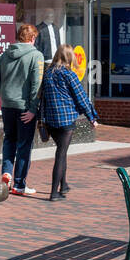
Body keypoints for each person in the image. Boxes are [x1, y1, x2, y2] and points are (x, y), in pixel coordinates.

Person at [0, 22, 44, 196]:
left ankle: (6, 171)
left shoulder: (6, 54)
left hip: (7, 105)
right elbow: (37, 85)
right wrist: (33, 109)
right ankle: (19, 184)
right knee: (24, 145)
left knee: (9, 140)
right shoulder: (36, 56)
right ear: (33, 38)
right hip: (24, 107)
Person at [41, 43, 99, 201]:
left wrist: (42, 119)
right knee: (60, 154)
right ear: (69, 57)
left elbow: (43, 98)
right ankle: (54, 192)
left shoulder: (47, 74)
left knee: (62, 152)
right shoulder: (69, 75)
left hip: (51, 120)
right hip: (66, 119)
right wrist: (91, 117)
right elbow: (81, 97)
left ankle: (64, 185)